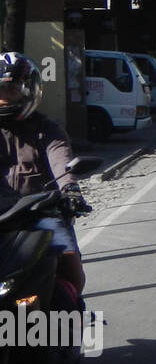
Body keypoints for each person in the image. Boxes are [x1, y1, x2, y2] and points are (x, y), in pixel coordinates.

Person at [0, 53, 92, 304]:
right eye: (0, 90)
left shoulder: (47, 130)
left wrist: (70, 190)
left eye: (11, 90)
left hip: (39, 214)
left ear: (30, 90)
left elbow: (61, 160)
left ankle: (69, 323)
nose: (4, 97)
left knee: (72, 271)